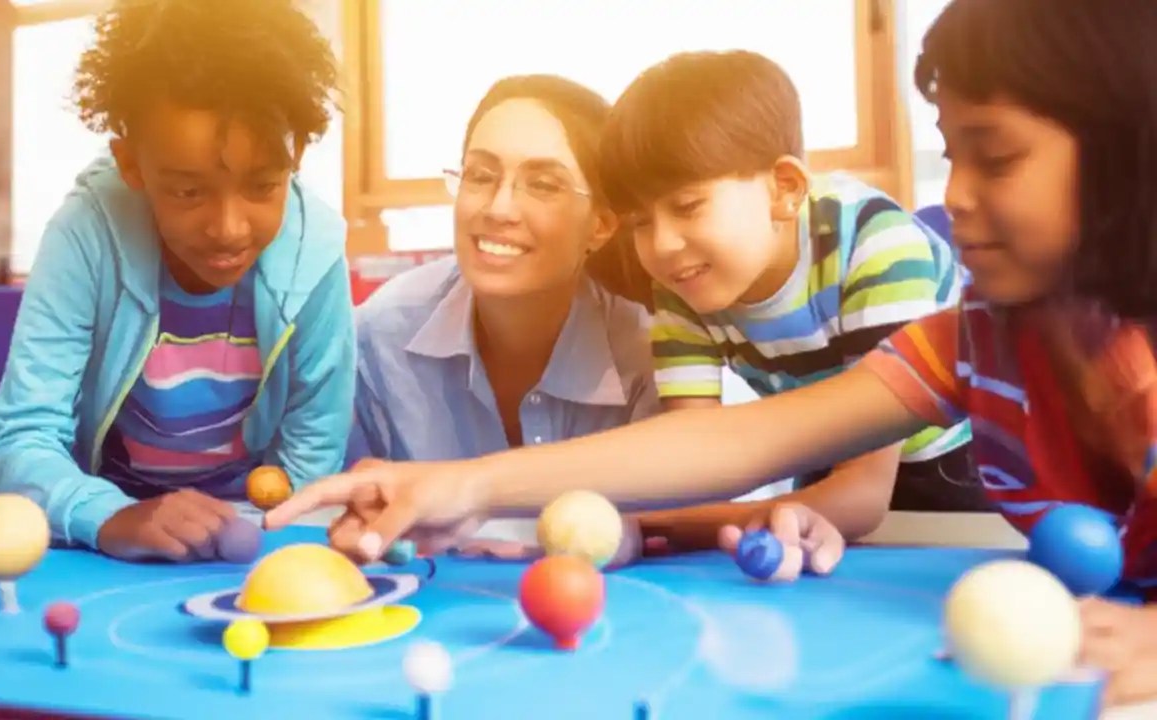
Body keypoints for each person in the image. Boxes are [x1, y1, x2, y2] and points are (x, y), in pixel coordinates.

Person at [267, 0, 1157, 706]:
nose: (954, 196)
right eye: (952, 155)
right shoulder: (982, 335)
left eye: (994, 159)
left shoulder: (896, 264)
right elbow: (743, 440)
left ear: (1126, 145)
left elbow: (856, 493)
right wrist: (464, 483)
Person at [0, 0, 355, 563]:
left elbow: (312, 451)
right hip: (114, 523)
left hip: (253, 536)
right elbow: (22, 438)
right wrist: (107, 517)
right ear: (131, 165)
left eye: (262, 187)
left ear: (296, 156)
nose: (228, 230)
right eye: (188, 192)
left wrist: (263, 535)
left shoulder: (318, 254)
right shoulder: (87, 234)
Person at [603, 49, 980, 553]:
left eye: (687, 206)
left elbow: (864, 496)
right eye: (640, 223)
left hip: (951, 460)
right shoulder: (682, 283)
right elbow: (692, 458)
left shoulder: (877, 245)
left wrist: (654, 521)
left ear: (784, 188)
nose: (663, 244)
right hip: (827, 454)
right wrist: (601, 527)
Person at [345, 75, 659, 468]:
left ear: (601, 225)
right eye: (480, 175)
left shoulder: (646, 358)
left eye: (543, 185)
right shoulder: (381, 336)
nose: (498, 209)